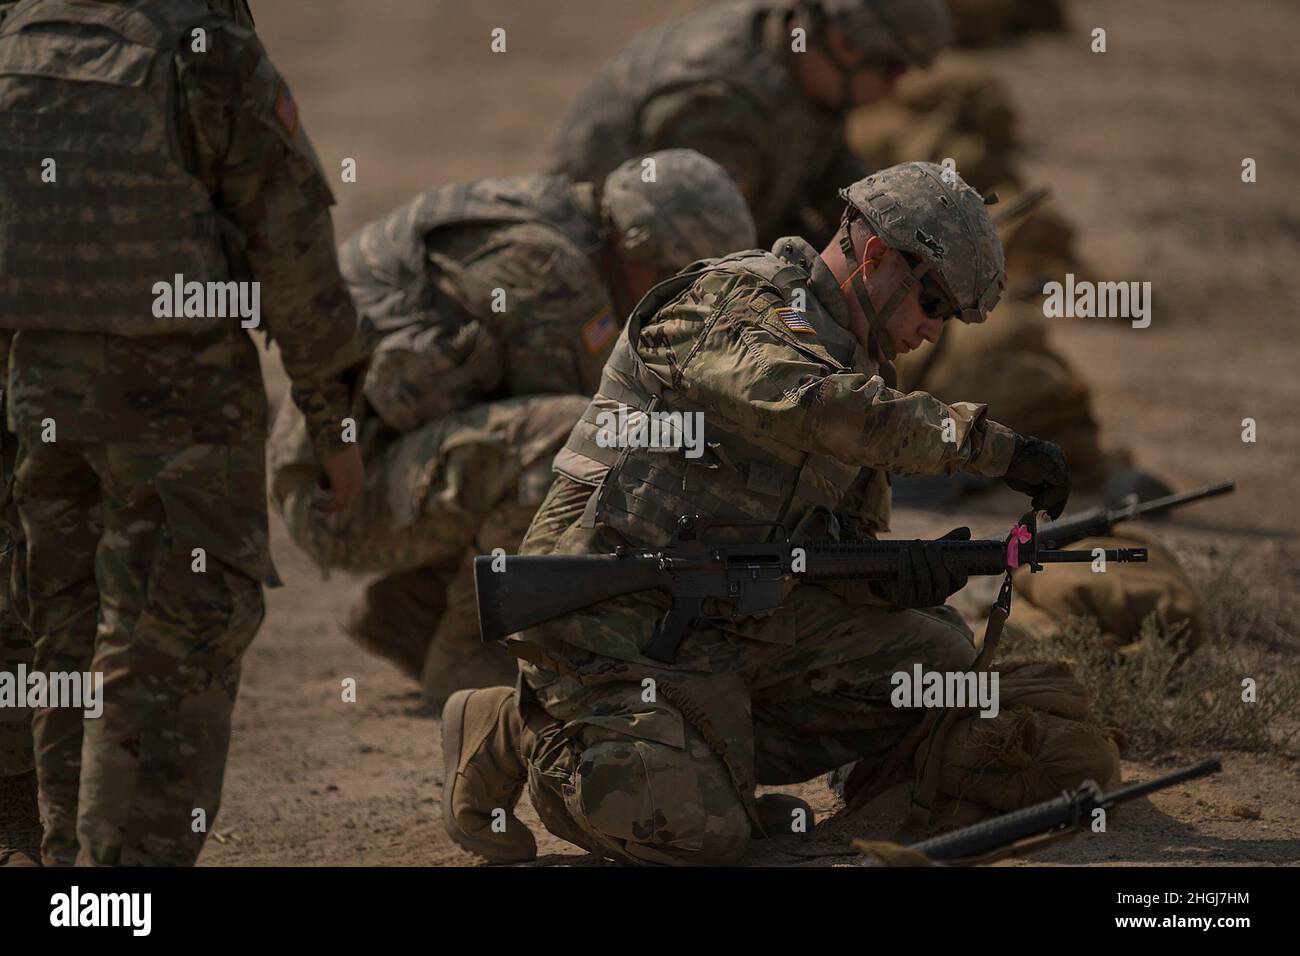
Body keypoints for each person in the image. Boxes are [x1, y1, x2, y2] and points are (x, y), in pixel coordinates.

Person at [441, 161, 1118, 866]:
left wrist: (888, 577)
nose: (932, 331)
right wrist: (986, 446)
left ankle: (708, 771)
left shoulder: (867, 373)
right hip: (610, 630)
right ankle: (517, 729)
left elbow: (827, 540)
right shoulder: (736, 301)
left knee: (937, 663)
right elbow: (805, 404)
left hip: (727, 622)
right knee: (689, 833)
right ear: (878, 258)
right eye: (934, 304)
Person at [0, 0, 368, 865]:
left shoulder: (15, 32)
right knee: (168, 644)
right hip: (181, 400)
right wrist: (332, 414)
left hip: (38, 391)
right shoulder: (205, 46)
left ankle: (71, 876)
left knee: (68, 632)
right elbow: (291, 240)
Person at [269, 150, 757, 707]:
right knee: (585, 440)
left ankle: (413, 614)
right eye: (678, 282)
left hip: (364, 472)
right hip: (345, 497)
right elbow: (582, 459)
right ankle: (474, 661)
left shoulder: (558, 217)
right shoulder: (552, 272)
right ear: (638, 246)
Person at [550, 0, 953, 246]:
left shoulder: (804, 58)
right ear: (848, 44)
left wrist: (887, 220)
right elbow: (694, 259)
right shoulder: (719, 107)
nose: (892, 93)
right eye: (893, 71)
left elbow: (824, 162)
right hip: (613, 270)